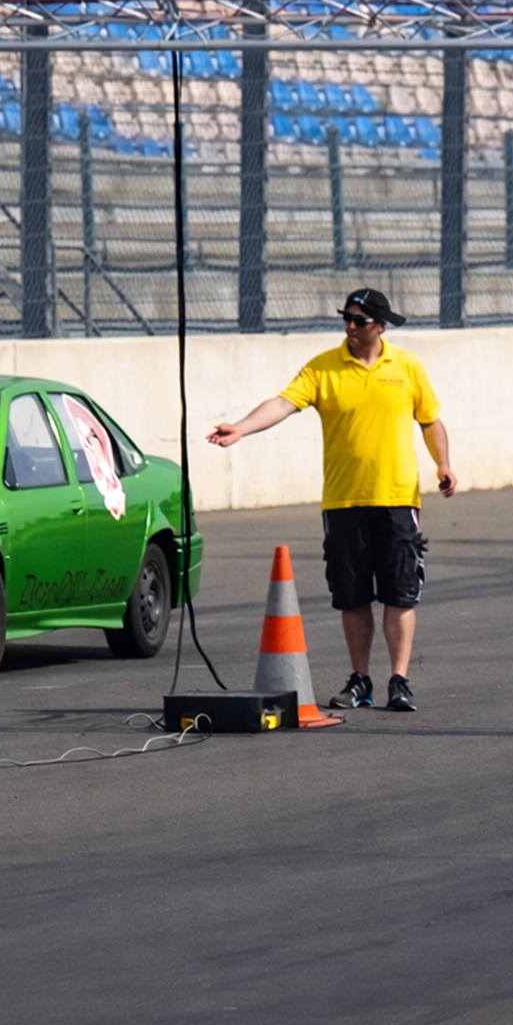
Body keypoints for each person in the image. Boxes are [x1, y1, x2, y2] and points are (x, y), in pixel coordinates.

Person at [207, 288, 456, 713]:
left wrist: (443, 464)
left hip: (397, 500)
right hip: (342, 502)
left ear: (380, 325)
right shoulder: (323, 367)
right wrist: (243, 428)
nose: (349, 327)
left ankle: (400, 681)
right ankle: (361, 680)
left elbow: (430, 421)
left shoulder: (408, 367)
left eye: (358, 320)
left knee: (400, 595)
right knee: (352, 596)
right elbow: (283, 403)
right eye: (346, 318)